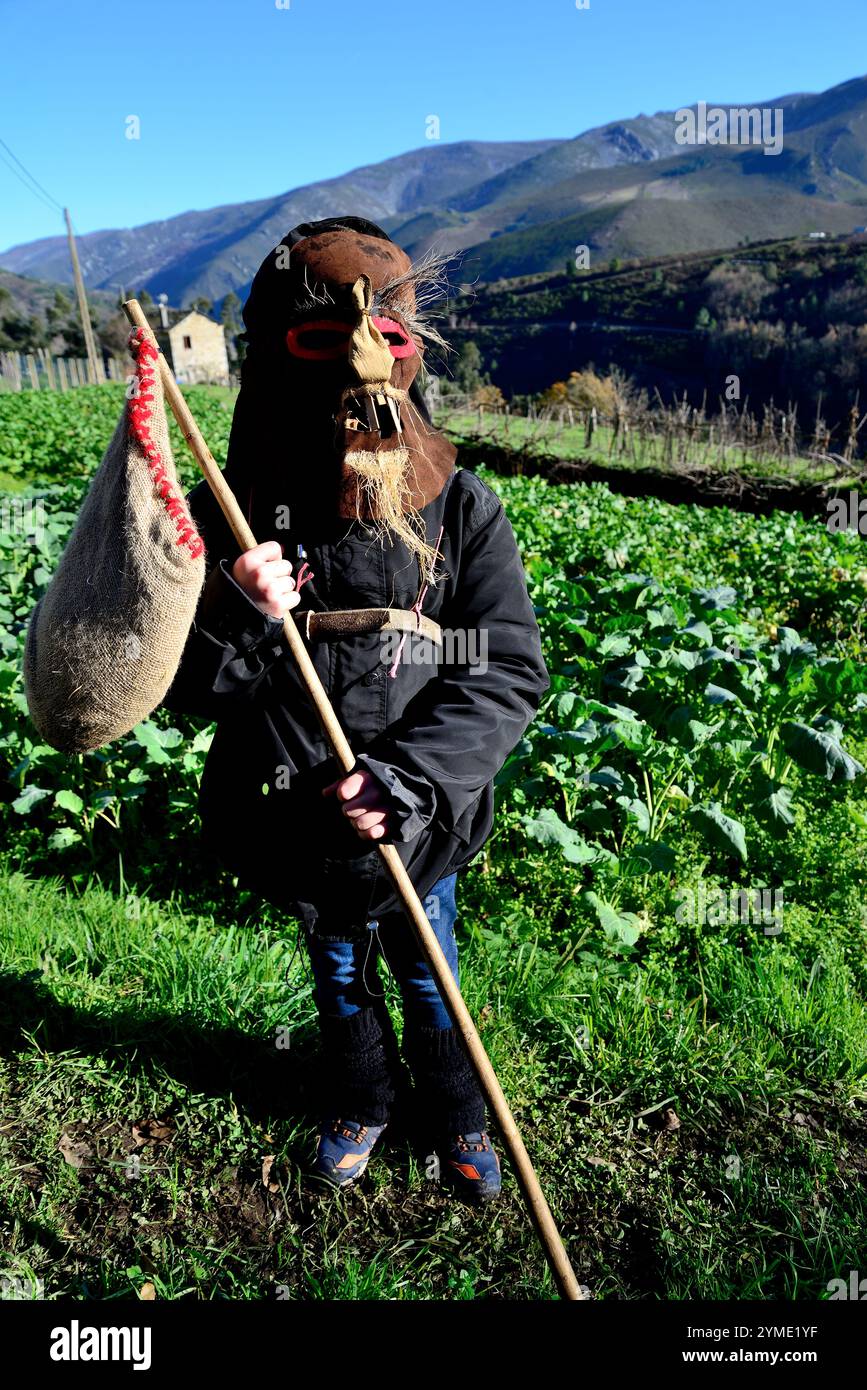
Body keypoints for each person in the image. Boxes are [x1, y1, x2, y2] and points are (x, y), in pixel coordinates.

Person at [162, 216, 549, 1201]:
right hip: (302, 817)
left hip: (419, 822)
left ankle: (460, 1113)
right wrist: (242, 611)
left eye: (387, 342)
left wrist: (410, 783)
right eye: (319, 344)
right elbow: (193, 694)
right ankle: (361, 1099)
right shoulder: (237, 517)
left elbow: (506, 667)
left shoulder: (461, 511)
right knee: (338, 974)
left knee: (431, 973)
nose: (362, 370)